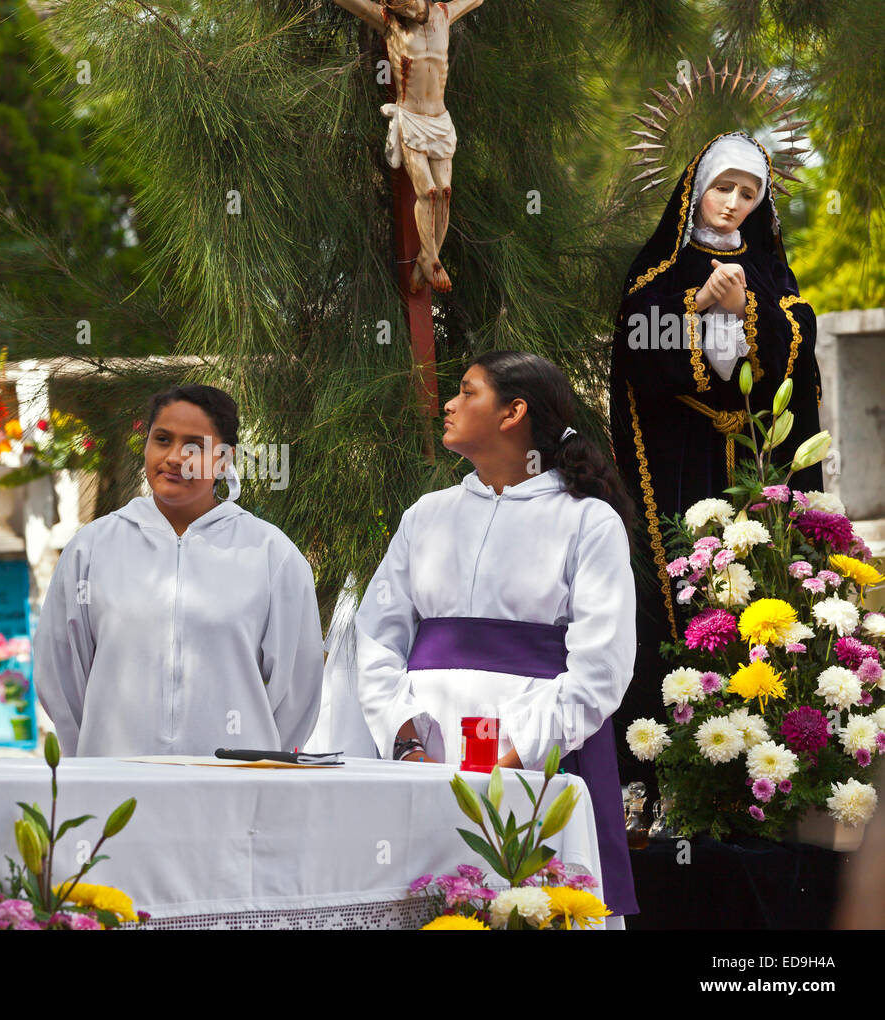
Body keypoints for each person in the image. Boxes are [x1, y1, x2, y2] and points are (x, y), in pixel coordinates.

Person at [352, 350, 639, 920]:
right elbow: (376, 637)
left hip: (539, 757)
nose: (449, 404)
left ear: (513, 413)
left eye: (467, 391)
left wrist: (518, 755)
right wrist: (405, 738)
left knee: (528, 906)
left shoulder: (587, 520)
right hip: (423, 758)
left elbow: (602, 668)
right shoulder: (426, 515)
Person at [608, 131, 823, 787]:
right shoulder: (659, 276)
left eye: (747, 192)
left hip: (755, 460)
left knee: (760, 591)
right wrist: (698, 307)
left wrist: (747, 310)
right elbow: (639, 356)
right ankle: (680, 760)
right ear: (697, 190)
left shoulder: (768, 273)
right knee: (683, 591)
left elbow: (797, 348)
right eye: (723, 187)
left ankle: (765, 756)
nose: (732, 202)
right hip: (681, 459)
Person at [35, 384, 323, 757]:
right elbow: (61, 674)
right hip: (115, 790)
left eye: (194, 446)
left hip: (231, 789)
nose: (174, 457)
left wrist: (258, 763)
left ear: (224, 459)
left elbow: (297, 687)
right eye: (162, 439)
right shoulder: (91, 550)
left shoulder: (270, 555)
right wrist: (94, 759)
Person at [331, 0, 486, 293]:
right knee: (427, 192)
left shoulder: (443, 14)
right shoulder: (389, 22)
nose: (407, 9)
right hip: (411, 118)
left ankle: (427, 259)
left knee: (445, 193)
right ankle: (431, 263)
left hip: (440, 119)